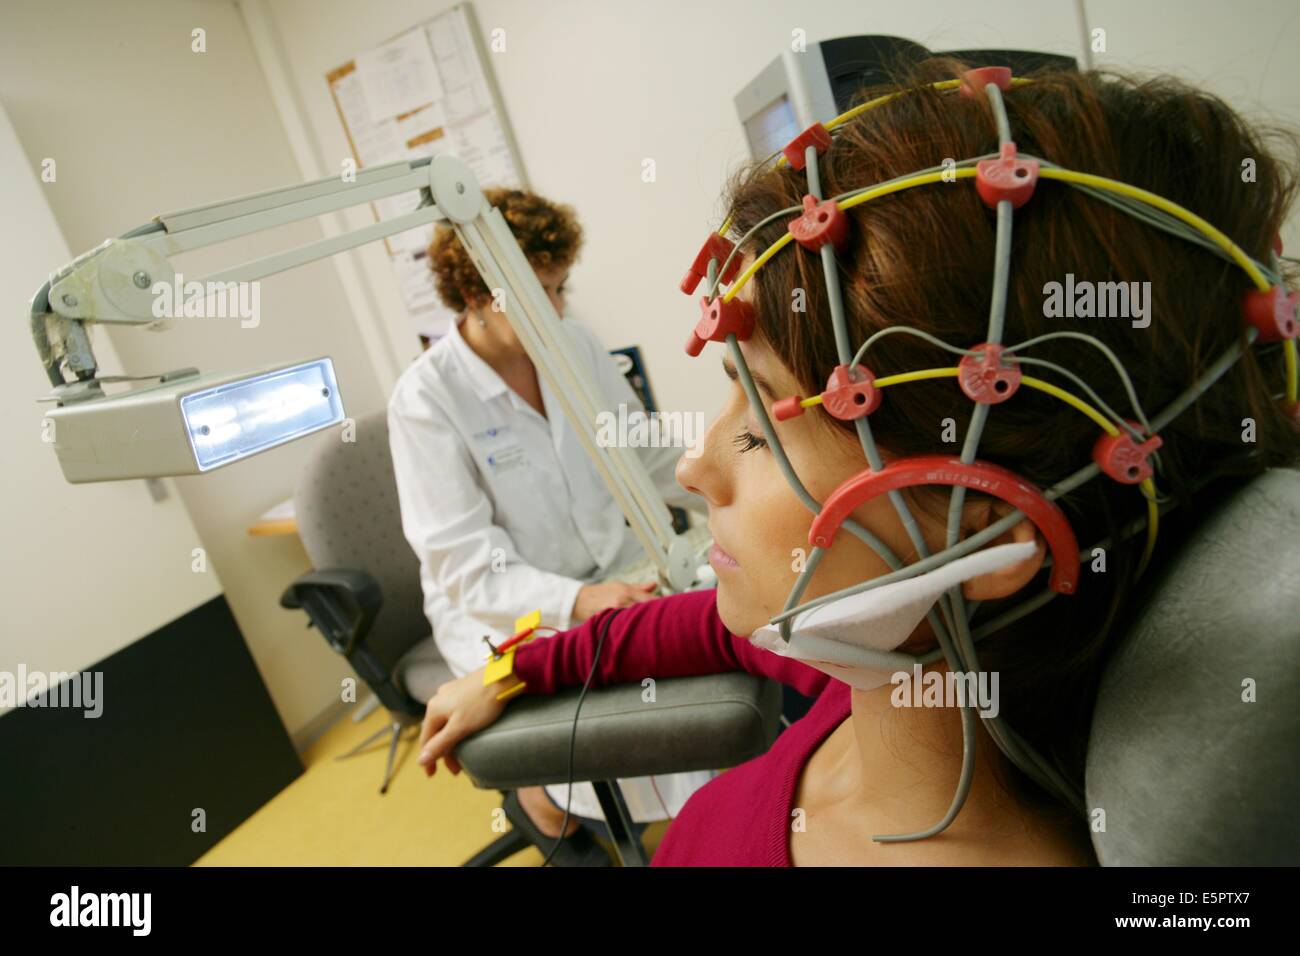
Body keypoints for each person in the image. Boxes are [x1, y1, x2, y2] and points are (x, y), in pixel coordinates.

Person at [413, 63, 1300, 865]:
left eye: (760, 424)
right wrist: (515, 668)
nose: (696, 468)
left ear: (977, 527)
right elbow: (698, 628)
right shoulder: (892, 676)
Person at [388, 187, 710, 864]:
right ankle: (546, 799)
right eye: (539, 294)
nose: (558, 310)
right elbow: (465, 563)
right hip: (503, 610)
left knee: (700, 661)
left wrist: (726, 490)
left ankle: (701, 824)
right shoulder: (425, 400)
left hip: (613, 566)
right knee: (633, 718)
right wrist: (578, 601)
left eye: (561, 288)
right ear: (474, 295)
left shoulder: (574, 346)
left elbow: (640, 453)